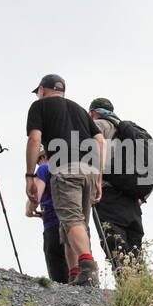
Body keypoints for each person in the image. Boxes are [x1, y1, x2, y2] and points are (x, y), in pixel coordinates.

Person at [25, 74, 104, 286]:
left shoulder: (39, 107)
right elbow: (99, 140)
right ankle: (75, 274)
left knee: (71, 221)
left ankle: (88, 269)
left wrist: (30, 174)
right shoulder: (79, 109)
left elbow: (35, 139)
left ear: (42, 89)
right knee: (73, 224)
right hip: (88, 170)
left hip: (64, 169)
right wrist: (98, 176)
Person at [89, 98, 145, 269]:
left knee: (116, 251)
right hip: (133, 199)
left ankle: (129, 292)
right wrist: (141, 197)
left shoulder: (98, 126)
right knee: (135, 256)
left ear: (92, 112)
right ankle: (142, 290)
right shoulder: (132, 132)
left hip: (107, 196)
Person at [28, 147, 69, 283]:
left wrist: (29, 211)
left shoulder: (43, 169)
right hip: (75, 226)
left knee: (59, 278)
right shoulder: (69, 168)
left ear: (41, 158)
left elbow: (36, 197)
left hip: (53, 225)